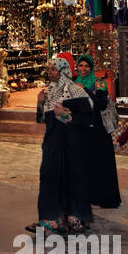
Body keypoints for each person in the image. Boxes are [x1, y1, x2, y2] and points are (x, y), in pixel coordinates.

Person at [31, 57, 92, 234]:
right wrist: (41, 102)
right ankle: (50, 220)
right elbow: (42, 120)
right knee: (50, 178)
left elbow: (89, 118)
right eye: (48, 69)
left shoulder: (74, 90)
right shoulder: (49, 91)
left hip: (72, 145)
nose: (49, 72)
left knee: (72, 178)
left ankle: (74, 217)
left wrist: (65, 114)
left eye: (53, 69)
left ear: (63, 71)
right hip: (52, 144)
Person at [71, 52, 122, 209]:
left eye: (87, 66)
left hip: (98, 130)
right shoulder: (74, 81)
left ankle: (103, 198)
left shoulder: (99, 83)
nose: (83, 68)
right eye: (81, 65)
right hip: (81, 128)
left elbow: (100, 104)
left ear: (91, 67)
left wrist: (85, 90)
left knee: (99, 163)